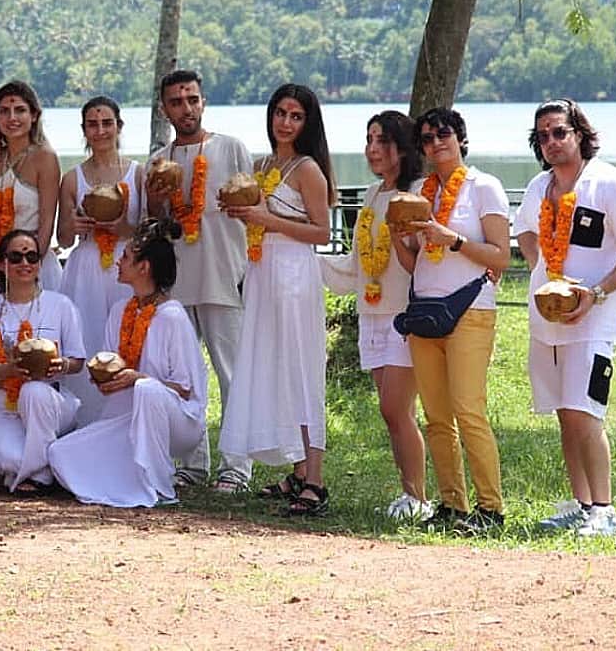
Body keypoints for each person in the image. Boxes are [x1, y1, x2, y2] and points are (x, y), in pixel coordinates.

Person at [515, 98, 616, 537]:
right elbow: (524, 231)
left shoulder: (613, 184)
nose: (552, 142)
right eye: (543, 136)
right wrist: (545, 272)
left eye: (560, 132)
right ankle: (580, 504)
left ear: (580, 133)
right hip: (548, 318)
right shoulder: (541, 187)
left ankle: (605, 509)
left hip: (595, 320)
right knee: (564, 414)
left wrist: (593, 294)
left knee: (585, 412)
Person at [217, 85, 335, 515]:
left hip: (294, 272)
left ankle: (316, 479)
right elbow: (253, 213)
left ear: (307, 123)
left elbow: (322, 231)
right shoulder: (261, 164)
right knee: (274, 364)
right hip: (262, 270)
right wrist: (237, 208)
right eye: (280, 113)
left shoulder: (307, 170)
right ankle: (298, 470)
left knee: (300, 368)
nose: (285, 122)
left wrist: (270, 219)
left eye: (296, 116)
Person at [393, 107, 511, 535]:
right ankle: (452, 505)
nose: (436, 142)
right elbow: (413, 262)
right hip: (426, 309)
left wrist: (454, 239)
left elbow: (502, 256)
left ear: (460, 138)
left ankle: (491, 509)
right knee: (436, 415)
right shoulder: (420, 193)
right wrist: (397, 236)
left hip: (471, 309)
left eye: (444, 133)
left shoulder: (484, 187)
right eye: (426, 138)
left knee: (468, 410)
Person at [49, 218, 208, 508]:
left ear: (144, 268)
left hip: (179, 424)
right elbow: (112, 367)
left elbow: (185, 390)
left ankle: (160, 486)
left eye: (125, 257)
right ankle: (128, 476)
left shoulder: (172, 316)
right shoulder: (120, 310)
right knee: (61, 453)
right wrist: (105, 380)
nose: (118, 262)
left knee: (147, 389)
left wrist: (138, 378)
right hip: (128, 418)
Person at [321, 110, 430, 521]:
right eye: (368, 139)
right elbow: (358, 263)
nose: (372, 149)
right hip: (371, 312)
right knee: (392, 413)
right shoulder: (370, 195)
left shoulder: (419, 192)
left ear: (402, 147)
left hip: (405, 313)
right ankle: (408, 494)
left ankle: (419, 499)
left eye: (381, 140)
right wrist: (309, 263)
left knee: (395, 408)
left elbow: (423, 258)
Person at [144, 69, 251, 491]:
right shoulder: (160, 158)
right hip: (178, 279)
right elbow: (155, 221)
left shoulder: (231, 148)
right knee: (183, 375)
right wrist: (156, 192)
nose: (186, 108)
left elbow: (252, 207)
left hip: (226, 274)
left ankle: (237, 466)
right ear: (164, 108)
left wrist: (250, 272)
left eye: (192, 99)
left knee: (232, 374)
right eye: (176, 101)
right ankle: (192, 462)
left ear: (203, 101)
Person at [0, 230, 86, 494]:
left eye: (32, 257)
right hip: (6, 411)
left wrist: (62, 365)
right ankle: (53, 463)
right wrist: (8, 370)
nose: (25, 264)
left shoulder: (60, 305)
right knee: (5, 458)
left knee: (33, 391)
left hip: (52, 404)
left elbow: (78, 361)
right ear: (1, 263)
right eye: (16, 256)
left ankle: (39, 476)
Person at [57, 96, 145, 426]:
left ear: (119, 127)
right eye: (93, 124)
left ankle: (126, 422)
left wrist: (122, 228)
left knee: (124, 344)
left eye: (107, 123)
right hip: (87, 267)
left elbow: (147, 228)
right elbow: (63, 238)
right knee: (89, 340)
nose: (101, 130)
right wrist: (74, 226)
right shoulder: (72, 178)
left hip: (126, 266)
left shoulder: (137, 174)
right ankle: (85, 423)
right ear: (84, 130)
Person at [0, 80, 63, 290]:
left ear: (34, 115)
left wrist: (30, 262)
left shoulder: (44, 157)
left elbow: (48, 220)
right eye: (4, 111)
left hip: (32, 262)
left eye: (20, 110)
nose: (12, 118)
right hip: (0, 262)